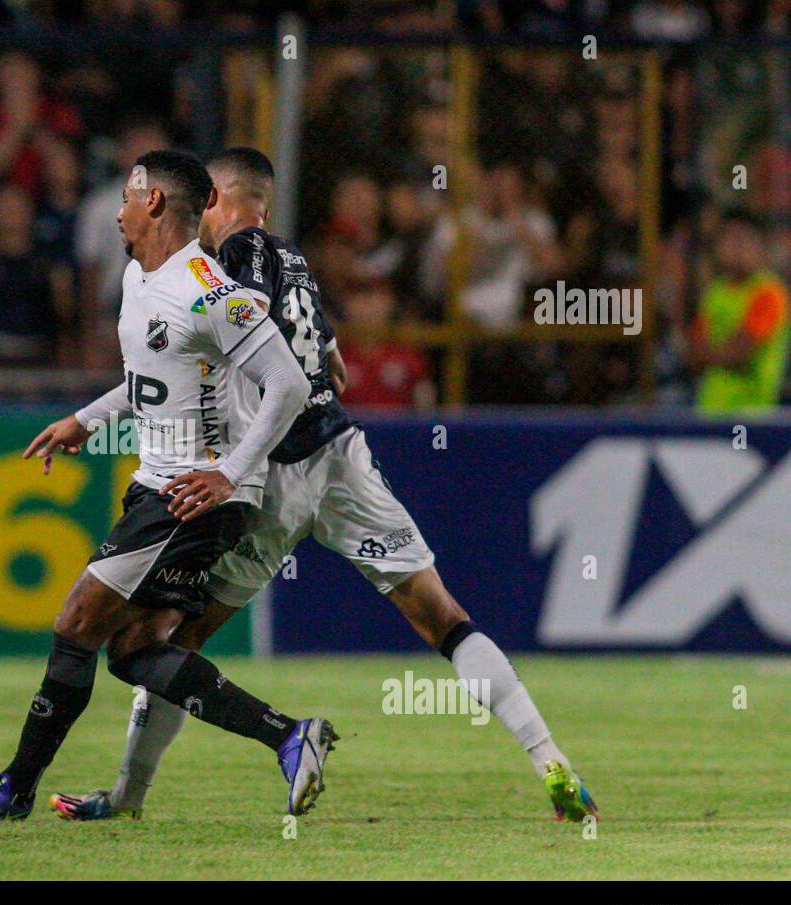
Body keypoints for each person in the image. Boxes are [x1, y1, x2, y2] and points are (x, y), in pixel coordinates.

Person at [50, 148, 597, 824]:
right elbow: (329, 360)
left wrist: (215, 452)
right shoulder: (295, 261)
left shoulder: (236, 257)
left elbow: (235, 339)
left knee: (165, 642)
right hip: (342, 455)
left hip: (270, 476)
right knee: (443, 616)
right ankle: (551, 760)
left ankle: (128, 797)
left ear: (217, 199)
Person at [0, 150, 334, 820]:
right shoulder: (137, 276)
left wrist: (228, 472)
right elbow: (152, 376)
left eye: (127, 194)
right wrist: (85, 420)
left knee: (76, 622)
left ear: (154, 203)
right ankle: (289, 736)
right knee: (136, 651)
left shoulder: (211, 290)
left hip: (189, 496)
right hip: (162, 488)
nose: (117, 208)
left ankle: (14, 788)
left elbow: (289, 384)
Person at [691, 212, 789, 415]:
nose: (738, 248)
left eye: (744, 239)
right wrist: (715, 353)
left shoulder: (768, 293)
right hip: (709, 412)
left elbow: (738, 353)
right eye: (730, 239)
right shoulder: (714, 292)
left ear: (761, 246)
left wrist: (712, 354)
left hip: (752, 416)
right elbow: (693, 354)